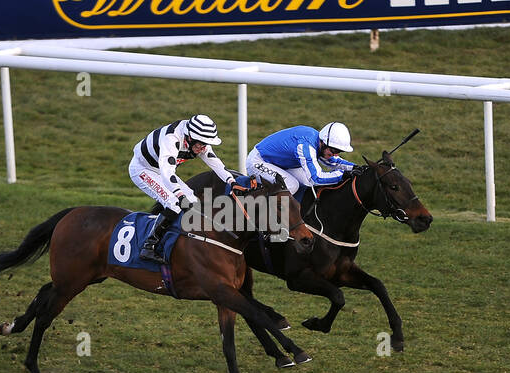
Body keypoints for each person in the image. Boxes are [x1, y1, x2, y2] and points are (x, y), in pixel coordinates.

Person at [129, 113, 236, 264]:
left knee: (193, 201)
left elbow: (215, 163)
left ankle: (181, 242)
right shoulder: (171, 139)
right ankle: (149, 246)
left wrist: (232, 181)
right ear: (190, 137)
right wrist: (179, 195)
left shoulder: (199, 139)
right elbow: (167, 172)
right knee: (174, 202)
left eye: (205, 144)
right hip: (143, 170)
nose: (203, 148)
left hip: (161, 170)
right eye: (200, 144)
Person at [245, 122, 357, 198]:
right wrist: (342, 175)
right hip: (258, 161)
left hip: (280, 164)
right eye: (333, 150)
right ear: (323, 143)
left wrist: (354, 168)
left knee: (307, 183)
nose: (335, 154)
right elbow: (316, 178)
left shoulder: (318, 142)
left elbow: (332, 161)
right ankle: (260, 218)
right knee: (291, 185)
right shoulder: (306, 146)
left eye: (338, 152)